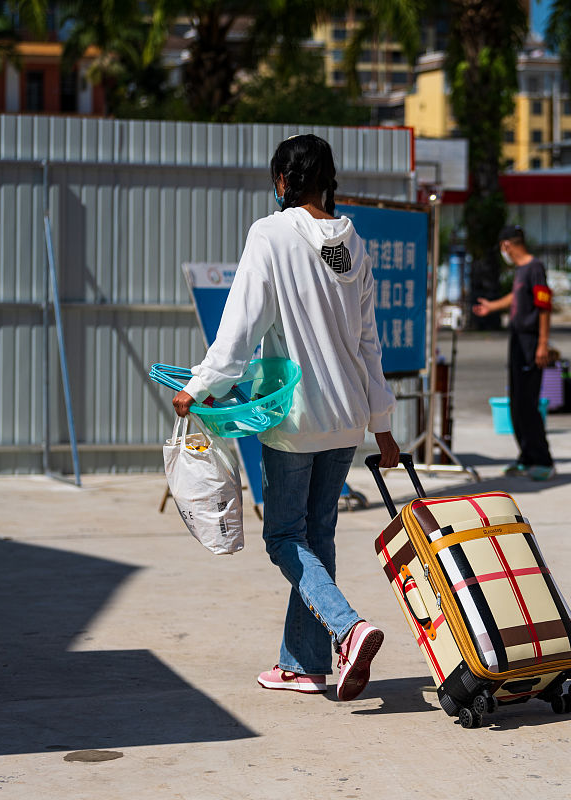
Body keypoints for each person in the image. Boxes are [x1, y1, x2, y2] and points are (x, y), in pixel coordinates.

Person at [172, 134, 399, 701]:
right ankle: (302, 665)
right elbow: (369, 343)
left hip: (297, 419)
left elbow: (239, 330)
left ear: (282, 180)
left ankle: (347, 628)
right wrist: (383, 425)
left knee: (283, 537)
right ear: (329, 178)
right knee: (316, 537)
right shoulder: (354, 242)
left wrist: (198, 388)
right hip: (348, 417)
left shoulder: (269, 234)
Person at [472, 225, 556, 480]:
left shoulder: (535, 267)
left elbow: (544, 306)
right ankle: (527, 457)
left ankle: (544, 461)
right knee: (517, 405)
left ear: (507, 245)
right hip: (517, 341)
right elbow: (516, 297)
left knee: (528, 404)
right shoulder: (522, 271)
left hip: (531, 342)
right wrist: (492, 307)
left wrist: (543, 343)